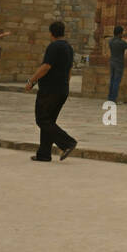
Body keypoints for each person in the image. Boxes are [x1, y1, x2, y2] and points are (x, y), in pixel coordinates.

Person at [26, 20, 78, 162]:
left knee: (42, 119)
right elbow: (69, 70)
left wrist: (31, 81)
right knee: (49, 121)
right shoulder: (68, 47)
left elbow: (46, 66)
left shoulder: (54, 47)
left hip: (50, 90)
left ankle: (67, 143)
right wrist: (66, 84)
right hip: (62, 89)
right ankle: (44, 154)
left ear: (51, 33)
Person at [106, 25, 127, 104]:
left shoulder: (111, 41)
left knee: (112, 80)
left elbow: (118, 39)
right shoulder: (121, 42)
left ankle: (110, 98)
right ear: (120, 33)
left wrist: (123, 37)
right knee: (116, 81)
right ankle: (114, 99)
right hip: (119, 63)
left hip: (112, 62)